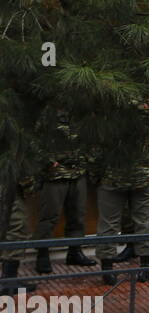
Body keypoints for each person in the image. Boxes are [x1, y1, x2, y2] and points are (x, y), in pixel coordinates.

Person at [95, 102, 149, 285]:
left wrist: (97, 174)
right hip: (142, 176)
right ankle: (144, 267)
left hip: (115, 177)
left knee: (109, 225)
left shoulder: (109, 109)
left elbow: (95, 147)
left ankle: (108, 270)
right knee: (144, 223)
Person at [35, 112, 93, 271]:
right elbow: (33, 141)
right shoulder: (48, 112)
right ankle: (42, 255)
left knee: (78, 215)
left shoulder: (82, 113)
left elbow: (91, 139)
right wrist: (48, 161)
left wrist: (88, 160)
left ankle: (75, 252)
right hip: (55, 174)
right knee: (49, 216)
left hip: (78, 172)